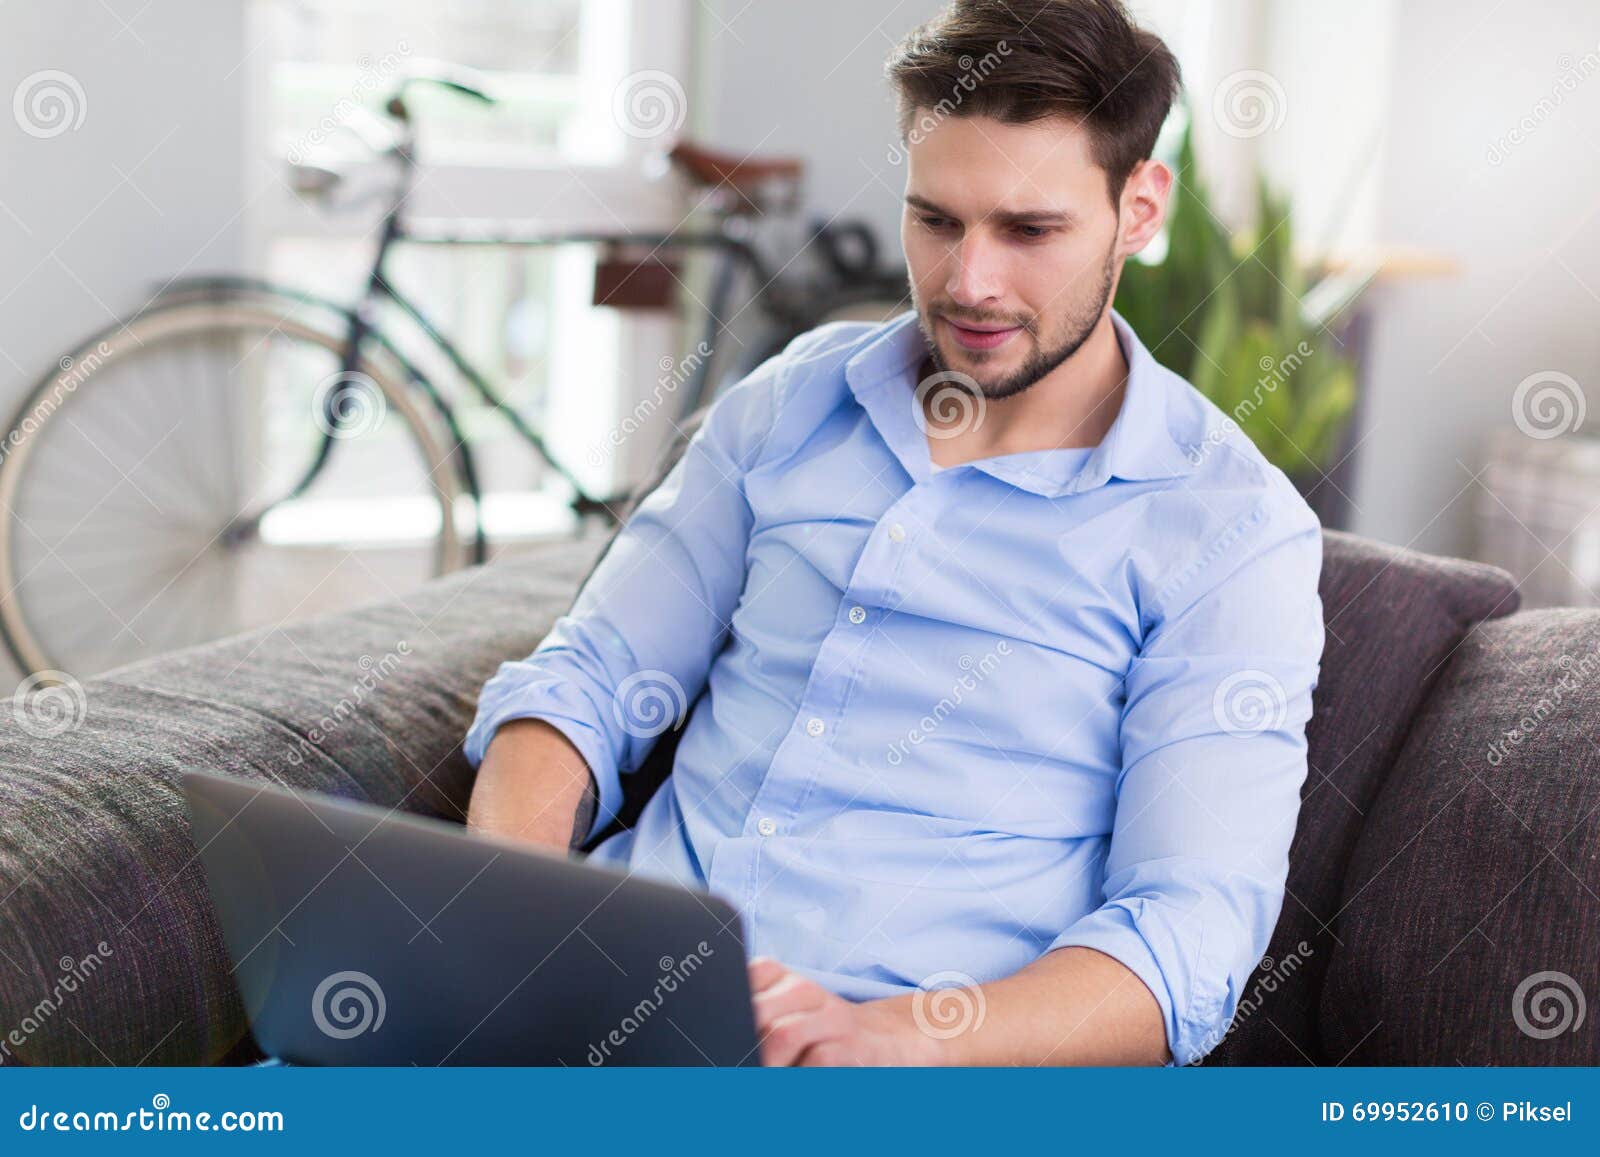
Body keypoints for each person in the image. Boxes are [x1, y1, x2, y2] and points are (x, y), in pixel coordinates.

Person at [464, 0, 1324, 1068]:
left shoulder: (1228, 530)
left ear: (1139, 207)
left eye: (1029, 230)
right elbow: (588, 678)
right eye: (937, 220)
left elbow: (1186, 935)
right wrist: (498, 917)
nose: (970, 284)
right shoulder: (790, 404)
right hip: (596, 1003)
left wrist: (889, 1037)